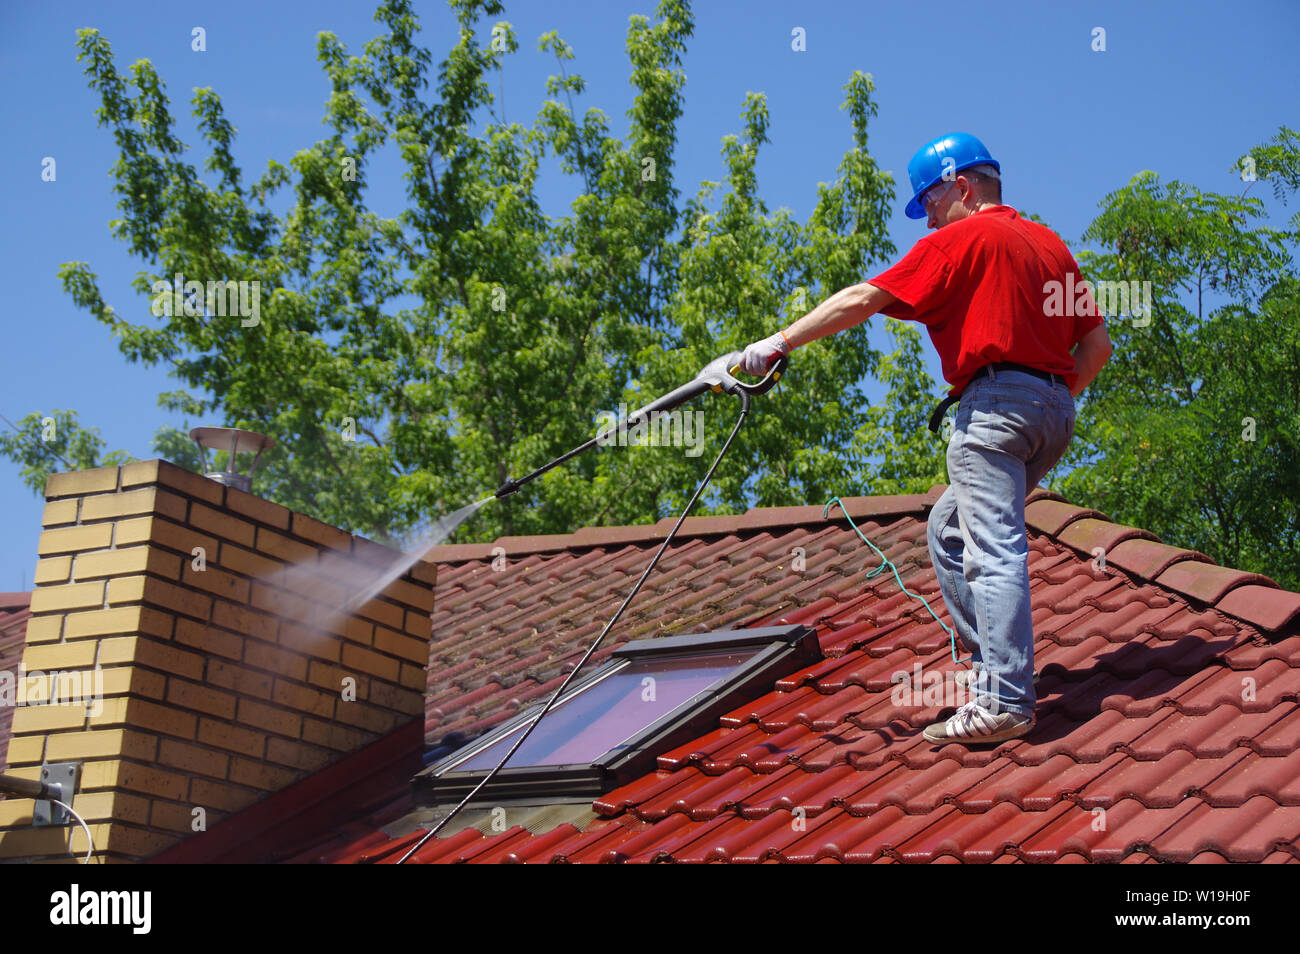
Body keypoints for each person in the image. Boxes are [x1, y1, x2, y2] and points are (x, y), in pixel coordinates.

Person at [739, 132, 1112, 744]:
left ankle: (1005, 699)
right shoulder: (1051, 247)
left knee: (992, 547)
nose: (928, 220)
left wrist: (779, 342)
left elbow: (864, 297)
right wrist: (1049, 402)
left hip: (992, 408)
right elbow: (1095, 345)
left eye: (930, 204)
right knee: (948, 528)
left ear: (961, 187)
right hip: (1051, 414)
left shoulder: (960, 239)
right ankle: (991, 669)